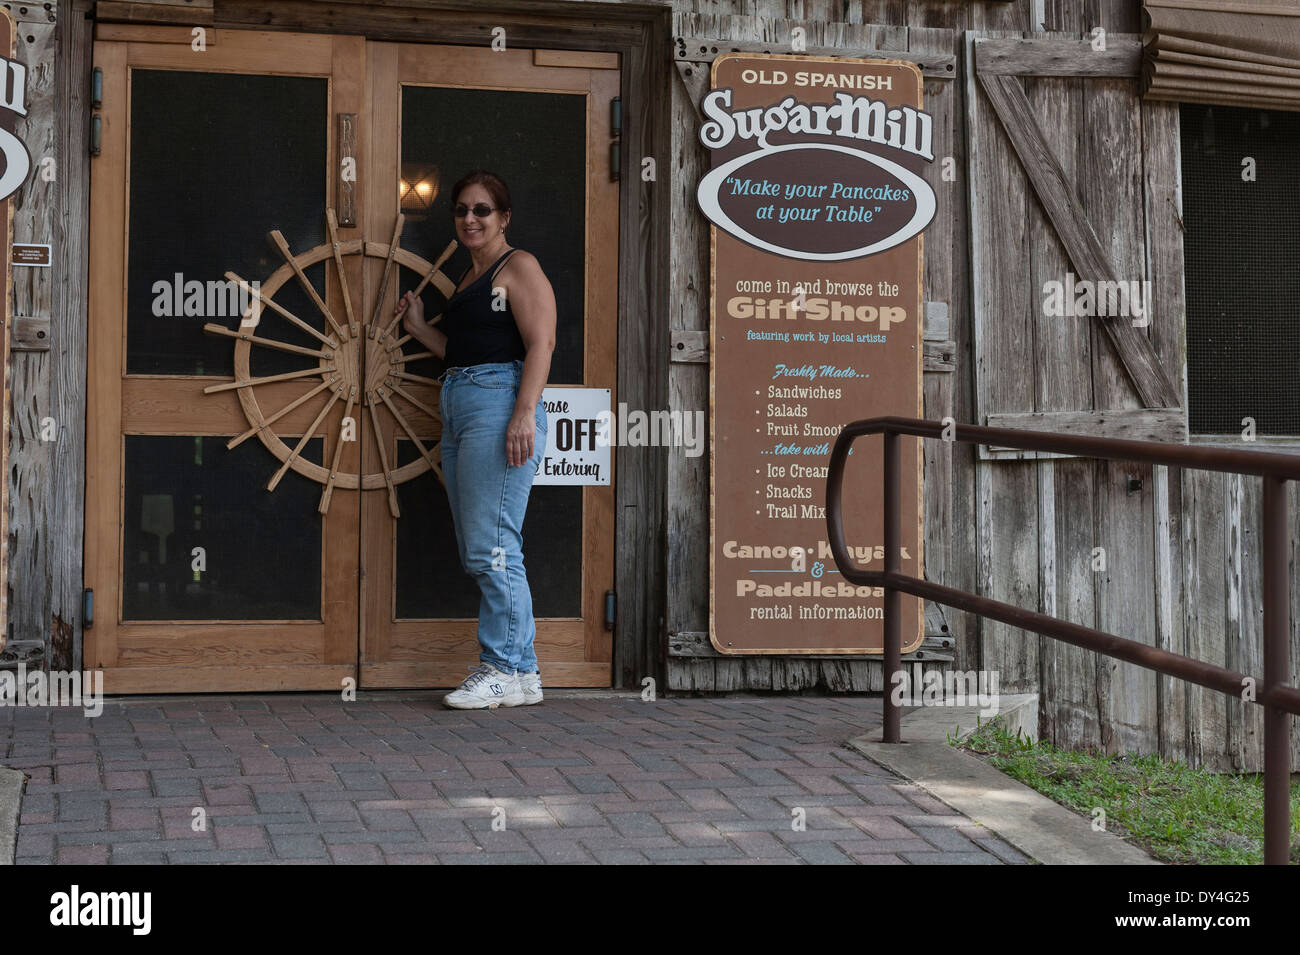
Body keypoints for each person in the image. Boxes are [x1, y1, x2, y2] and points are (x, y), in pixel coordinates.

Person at [395, 170, 556, 709]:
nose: (470, 219)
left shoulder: (519, 267)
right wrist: (419, 328)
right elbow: (462, 353)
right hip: (461, 402)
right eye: (462, 210)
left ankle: (502, 667)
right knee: (481, 546)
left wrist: (523, 414)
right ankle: (525, 674)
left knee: (493, 547)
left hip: (498, 404)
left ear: (504, 217)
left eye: (482, 210)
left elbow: (542, 343)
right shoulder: (469, 280)